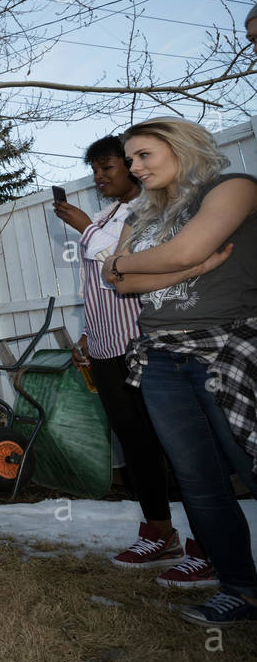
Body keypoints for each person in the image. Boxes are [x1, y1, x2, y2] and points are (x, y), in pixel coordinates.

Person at [102, 117, 256, 626]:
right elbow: (116, 279)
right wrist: (192, 270)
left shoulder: (232, 188)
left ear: (181, 146)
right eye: (130, 160)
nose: (134, 167)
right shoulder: (142, 213)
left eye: (144, 155)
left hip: (226, 348)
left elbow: (177, 249)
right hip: (161, 357)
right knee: (198, 480)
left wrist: (152, 263)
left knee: (251, 467)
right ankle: (240, 589)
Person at [53, 134, 207, 582]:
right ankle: (159, 533)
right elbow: (95, 285)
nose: (101, 176)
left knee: (174, 446)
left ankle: (208, 542)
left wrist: (83, 229)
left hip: (143, 344)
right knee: (137, 445)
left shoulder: (150, 211)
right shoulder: (105, 215)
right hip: (106, 347)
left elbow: (127, 267)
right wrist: (87, 333)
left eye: (109, 167)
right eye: (96, 170)